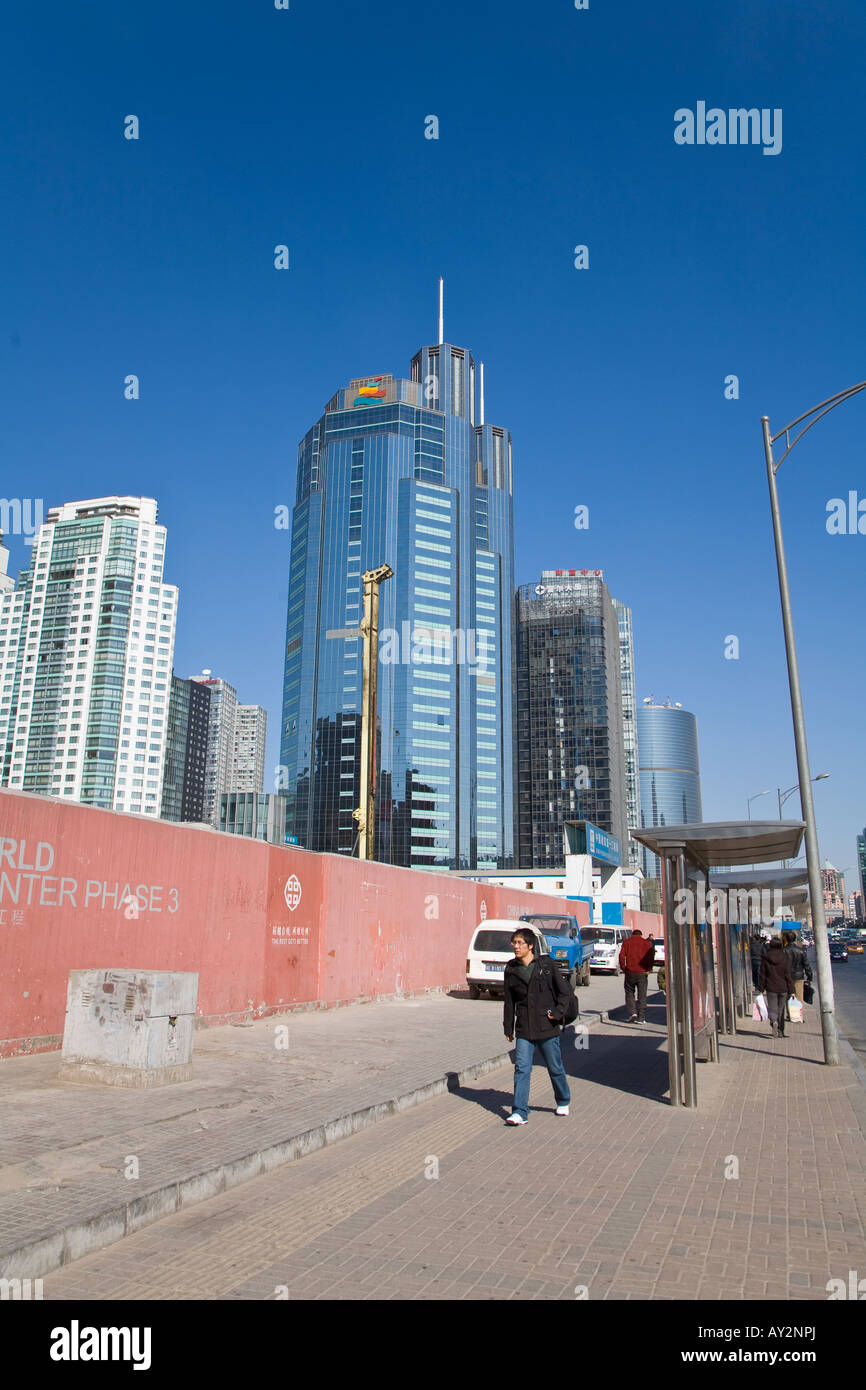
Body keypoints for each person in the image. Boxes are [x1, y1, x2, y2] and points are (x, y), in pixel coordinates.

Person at [503, 929, 572, 1124]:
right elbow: (509, 1002)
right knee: (522, 1068)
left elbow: (564, 992)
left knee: (555, 1066)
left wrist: (557, 1014)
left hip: (546, 1026)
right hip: (524, 1027)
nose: (515, 946)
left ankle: (563, 1099)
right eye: (514, 943)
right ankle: (519, 1112)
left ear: (530, 946)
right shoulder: (511, 969)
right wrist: (508, 1027)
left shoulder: (546, 965)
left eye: (519, 943)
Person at [758, 935, 794, 1038]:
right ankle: (780, 1031)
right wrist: (791, 989)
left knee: (772, 1008)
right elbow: (788, 974)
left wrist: (761, 988)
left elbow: (763, 974)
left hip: (771, 987)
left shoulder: (766, 957)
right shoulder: (784, 957)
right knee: (781, 1009)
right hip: (783, 987)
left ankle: (774, 1022)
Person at [618, 928, 656, 1023]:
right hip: (642, 973)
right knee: (642, 995)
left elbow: (621, 956)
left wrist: (624, 968)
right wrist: (649, 969)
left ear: (632, 934)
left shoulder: (627, 942)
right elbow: (651, 957)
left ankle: (632, 1013)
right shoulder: (647, 943)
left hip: (630, 972)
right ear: (641, 935)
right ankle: (641, 1017)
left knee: (629, 992)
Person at [782, 930, 812, 1004]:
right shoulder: (801, 951)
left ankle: (790, 1013)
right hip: (799, 977)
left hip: (787, 977)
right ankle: (798, 1013)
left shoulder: (783, 951)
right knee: (799, 996)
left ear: (786, 939)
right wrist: (809, 976)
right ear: (795, 939)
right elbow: (806, 965)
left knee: (789, 996)